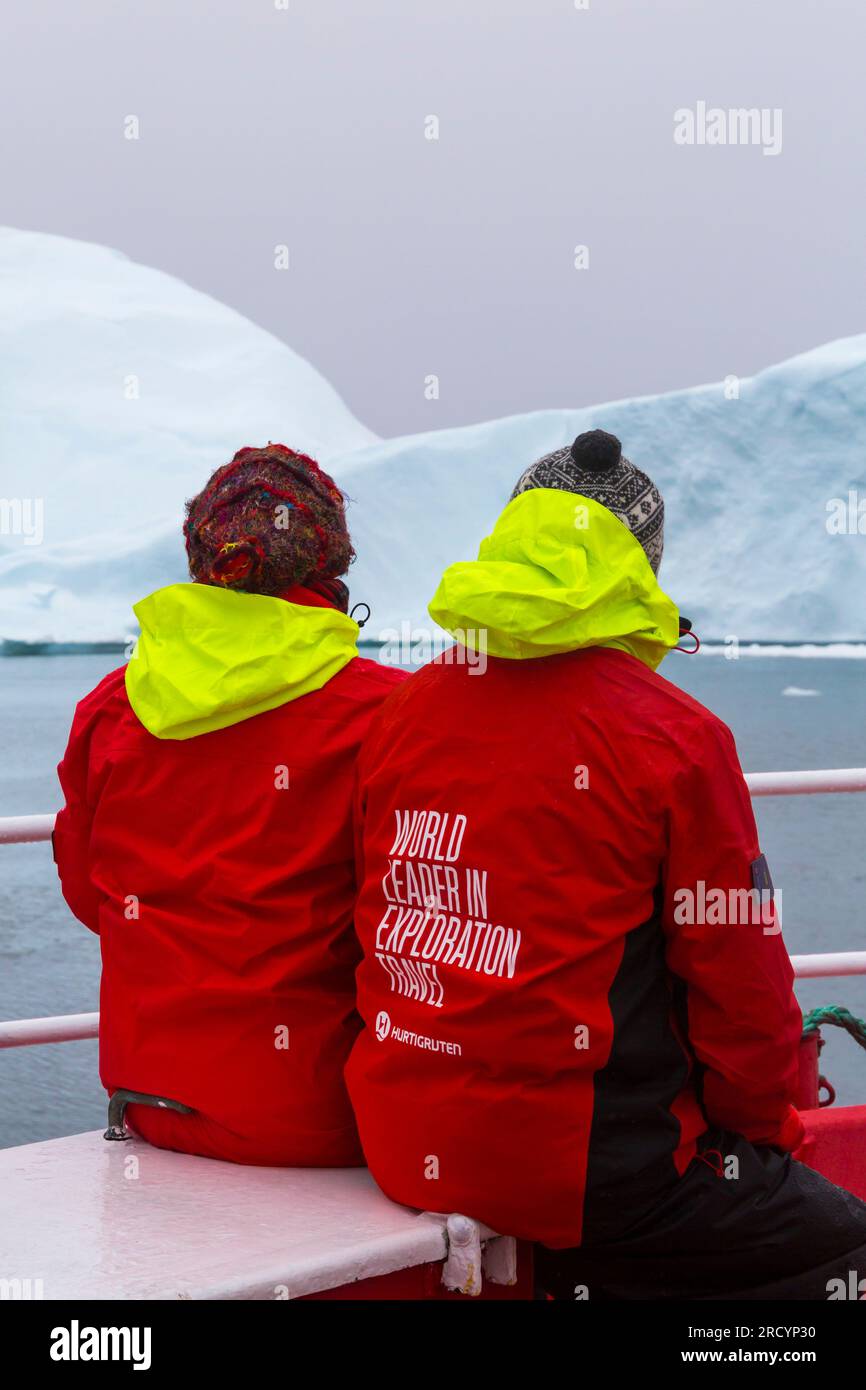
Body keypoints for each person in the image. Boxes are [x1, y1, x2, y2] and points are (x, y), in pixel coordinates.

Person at [345, 429, 866, 1298]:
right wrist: (769, 1132)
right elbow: (741, 993)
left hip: (399, 1141)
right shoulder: (675, 737)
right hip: (590, 1175)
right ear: (640, 570)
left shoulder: (403, 714)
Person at [54, 443, 403, 1166]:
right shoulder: (386, 713)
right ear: (329, 567)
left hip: (147, 1105)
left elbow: (91, 897)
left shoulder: (111, 708)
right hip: (323, 1122)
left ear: (201, 558)